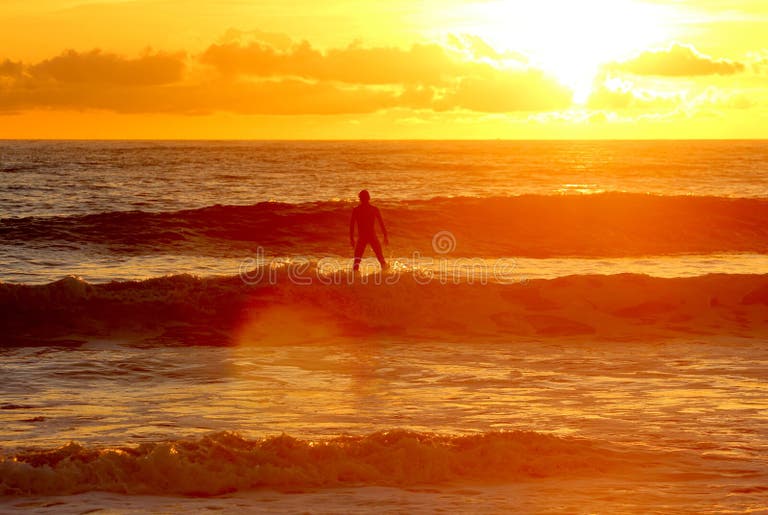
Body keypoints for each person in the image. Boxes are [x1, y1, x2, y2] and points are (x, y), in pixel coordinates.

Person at [350, 190, 388, 272]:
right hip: (371, 236)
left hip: (363, 237)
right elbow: (381, 223)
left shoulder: (356, 210)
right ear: (369, 198)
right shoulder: (374, 209)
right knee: (380, 258)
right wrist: (385, 236)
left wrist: (352, 239)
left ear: (360, 198)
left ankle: (354, 279)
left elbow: (351, 226)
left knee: (356, 262)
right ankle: (387, 275)